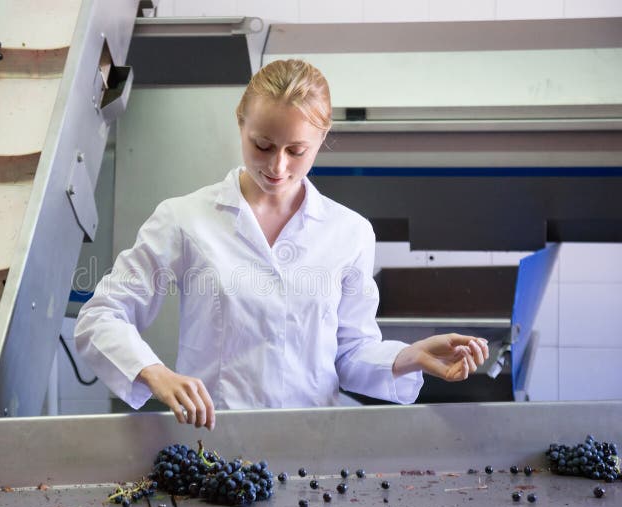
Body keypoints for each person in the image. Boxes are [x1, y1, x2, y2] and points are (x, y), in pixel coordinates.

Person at [74, 59, 488, 431]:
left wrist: (410, 357)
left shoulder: (349, 232)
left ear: (322, 137)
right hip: (214, 444)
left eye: (297, 150)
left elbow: (350, 353)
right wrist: (153, 372)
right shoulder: (185, 219)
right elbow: (101, 316)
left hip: (311, 446)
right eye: (263, 145)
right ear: (240, 124)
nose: (277, 166)